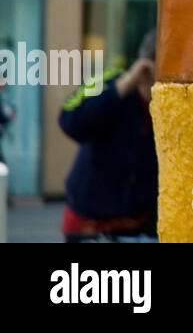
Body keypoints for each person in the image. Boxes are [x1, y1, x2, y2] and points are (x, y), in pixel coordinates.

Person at [59, 31, 159, 241]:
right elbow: (70, 121)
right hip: (90, 223)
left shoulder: (172, 107)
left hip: (141, 224)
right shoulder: (109, 80)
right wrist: (125, 84)